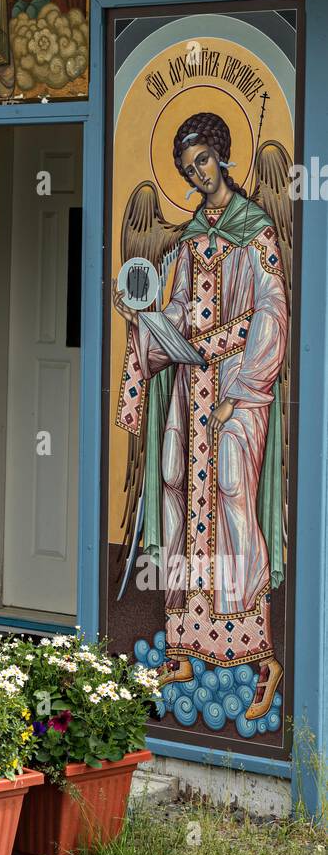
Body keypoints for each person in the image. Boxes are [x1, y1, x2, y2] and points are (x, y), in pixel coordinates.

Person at [113, 112, 286, 720]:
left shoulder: (256, 231)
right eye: (188, 168)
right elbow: (182, 313)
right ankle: (187, 642)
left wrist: (243, 385)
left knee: (232, 498)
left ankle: (258, 654)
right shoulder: (187, 241)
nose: (198, 173)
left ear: (223, 156)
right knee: (181, 494)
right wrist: (145, 322)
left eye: (204, 160)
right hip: (193, 387)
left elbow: (272, 314)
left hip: (236, 390)